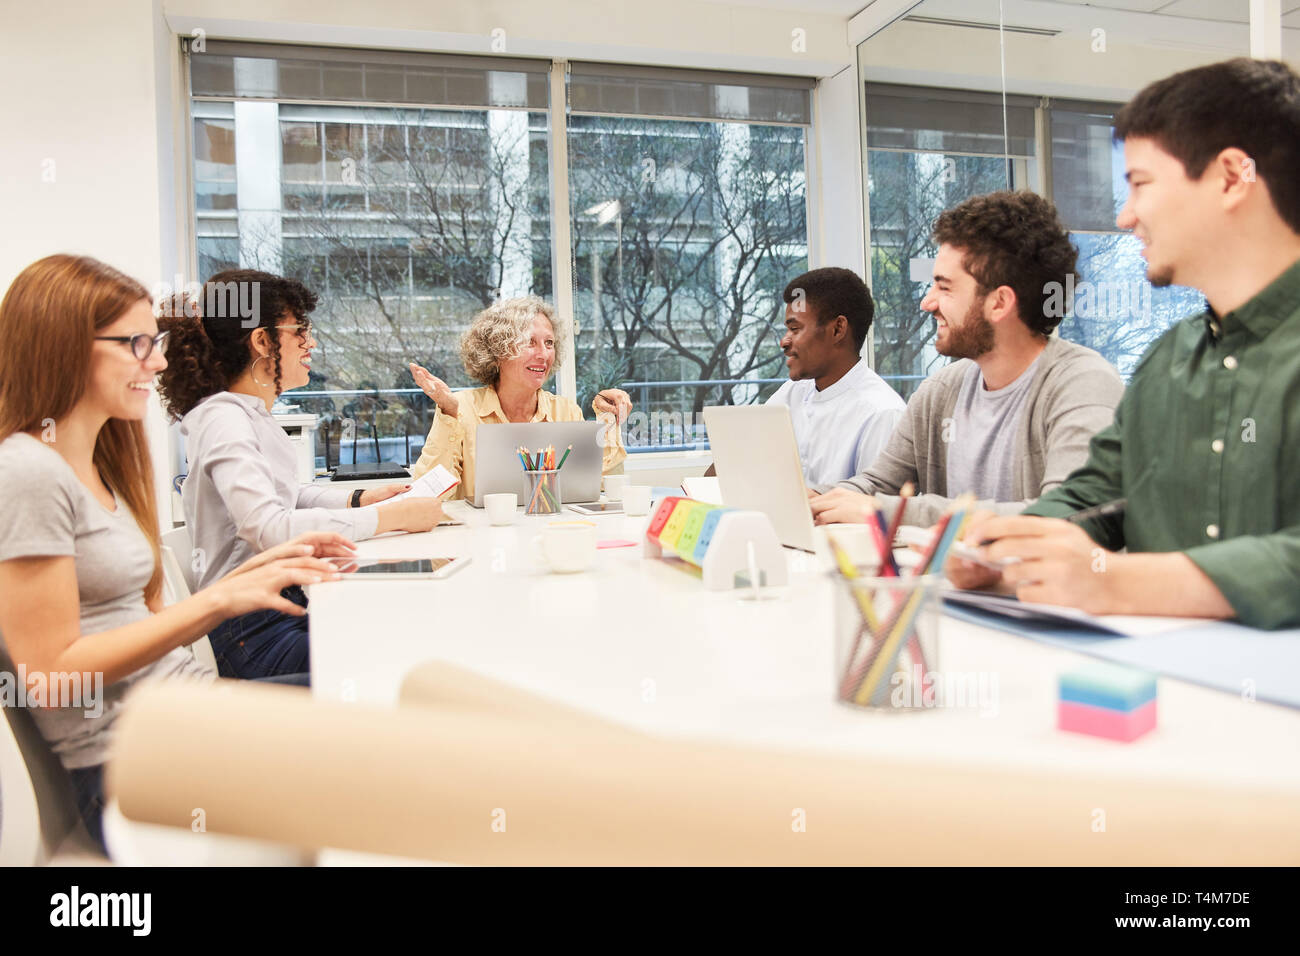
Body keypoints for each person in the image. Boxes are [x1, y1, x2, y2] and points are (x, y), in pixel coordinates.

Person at [0, 254, 349, 850]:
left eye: (154, 341)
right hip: (131, 757)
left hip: (185, 714)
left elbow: (145, 622)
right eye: (137, 343)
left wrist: (252, 574)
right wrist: (217, 602)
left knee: (372, 691)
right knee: (382, 739)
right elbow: (50, 676)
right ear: (63, 347)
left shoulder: (104, 463)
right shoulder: (27, 470)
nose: (159, 360)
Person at [950, 59, 1300, 630]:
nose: (1125, 215)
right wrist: (1017, 545)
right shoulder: (1168, 360)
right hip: (1161, 690)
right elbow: (1097, 493)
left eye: (1140, 183)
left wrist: (1117, 581)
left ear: (1233, 177)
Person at [156, 270, 443, 680]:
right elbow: (268, 526)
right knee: (400, 665)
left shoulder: (248, 413)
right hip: (252, 634)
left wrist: (361, 499)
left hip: (274, 612)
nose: (311, 343)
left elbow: (287, 496)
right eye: (300, 331)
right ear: (260, 340)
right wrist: (392, 519)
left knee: (407, 640)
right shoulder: (222, 418)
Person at [810, 191, 1125, 528]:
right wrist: (812, 500)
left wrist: (891, 513)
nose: (928, 303)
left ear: (1000, 303)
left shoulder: (1083, 385)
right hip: (949, 582)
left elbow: (1068, 516)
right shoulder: (941, 391)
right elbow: (873, 487)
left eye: (944, 288)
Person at [408, 295, 632, 500]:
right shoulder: (460, 408)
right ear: (497, 351)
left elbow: (604, 487)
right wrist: (448, 411)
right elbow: (427, 496)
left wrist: (608, 420)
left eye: (549, 343)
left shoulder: (565, 412)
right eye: (529, 342)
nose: (544, 355)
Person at [760, 268, 903, 488]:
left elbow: (873, 513)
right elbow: (739, 457)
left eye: (795, 329)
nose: (784, 342)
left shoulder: (882, 413)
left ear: (837, 330)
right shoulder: (793, 392)